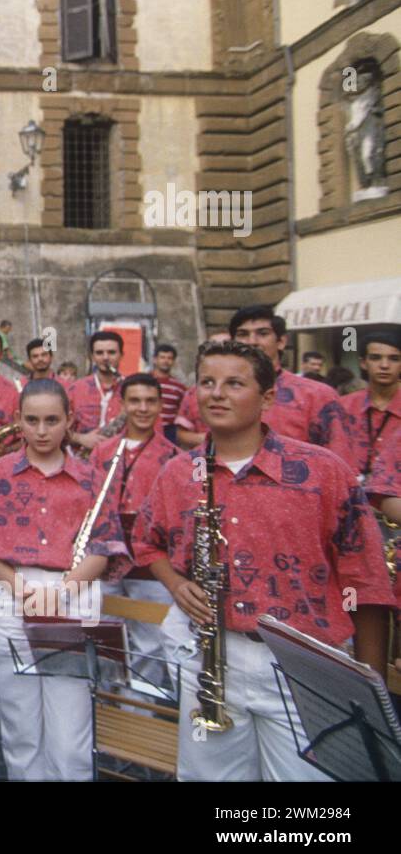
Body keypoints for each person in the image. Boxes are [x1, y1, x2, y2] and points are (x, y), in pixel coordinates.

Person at [134, 339, 393, 780]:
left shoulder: (323, 471)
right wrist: (176, 585)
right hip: (210, 661)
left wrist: (369, 686)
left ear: (268, 397)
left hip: (306, 665)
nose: (217, 394)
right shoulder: (178, 472)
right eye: (207, 382)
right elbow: (146, 542)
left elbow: (365, 580)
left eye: (235, 383)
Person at [0, 378, 129, 780]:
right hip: (10, 595)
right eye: (33, 420)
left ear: (69, 421)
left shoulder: (91, 478)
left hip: (71, 596)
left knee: (71, 734)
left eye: (52, 420)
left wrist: (62, 593)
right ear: (18, 420)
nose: (41, 431)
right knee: (20, 727)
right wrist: (19, 587)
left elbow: (104, 545)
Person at [89, 373, 181, 688]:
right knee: (105, 633)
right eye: (135, 400)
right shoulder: (101, 452)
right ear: (122, 404)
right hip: (104, 557)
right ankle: (108, 703)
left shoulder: (174, 457)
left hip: (150, 565)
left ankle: (141, 709)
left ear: (160, 406)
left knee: (150, 642)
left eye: (150, 401)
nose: (142, 408)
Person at [229, 305, 351, 462]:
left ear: (281, 341)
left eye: (263, 334)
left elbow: (340, 460)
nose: (252, 342)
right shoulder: (213, 395)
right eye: (243, 334)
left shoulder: (317, 395)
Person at [326, 326, 401, 486]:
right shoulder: (343, 406)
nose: (385, 365)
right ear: (363, 363)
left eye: (394, 359)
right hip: (350, 498)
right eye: (375, 358)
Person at [66, 331, 125, 451]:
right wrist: (80, 438)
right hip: (83, 463)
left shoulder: (133, 389)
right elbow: (54, 430)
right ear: (92, 357)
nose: (105, 358)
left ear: (121, 355)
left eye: (111, 352)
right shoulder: (75, 389)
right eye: (99, 353)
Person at [150, 343, 186, 441]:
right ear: (155, 360)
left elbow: (182, 410)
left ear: (173, 361)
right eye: (162, 357)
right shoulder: (144, 381)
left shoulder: (179, 387)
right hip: (147, 427)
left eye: (169, 358)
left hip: (169, 432)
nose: (166, 361)